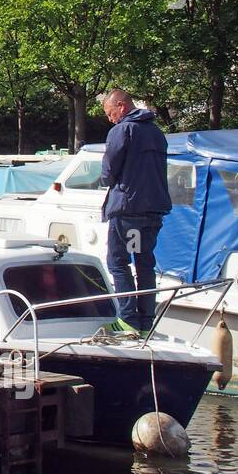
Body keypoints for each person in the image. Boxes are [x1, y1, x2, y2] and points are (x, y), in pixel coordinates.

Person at [101, 88, 171, 334]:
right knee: (144, 263)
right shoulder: (157, 132)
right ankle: (146, 322)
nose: (110, 119)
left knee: (118, 262)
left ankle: (128, 319)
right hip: (153, 210)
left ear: (121, 106)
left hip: (128, 208)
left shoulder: (122, 130)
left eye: (110, 113)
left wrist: (104, 180)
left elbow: (109, 171)